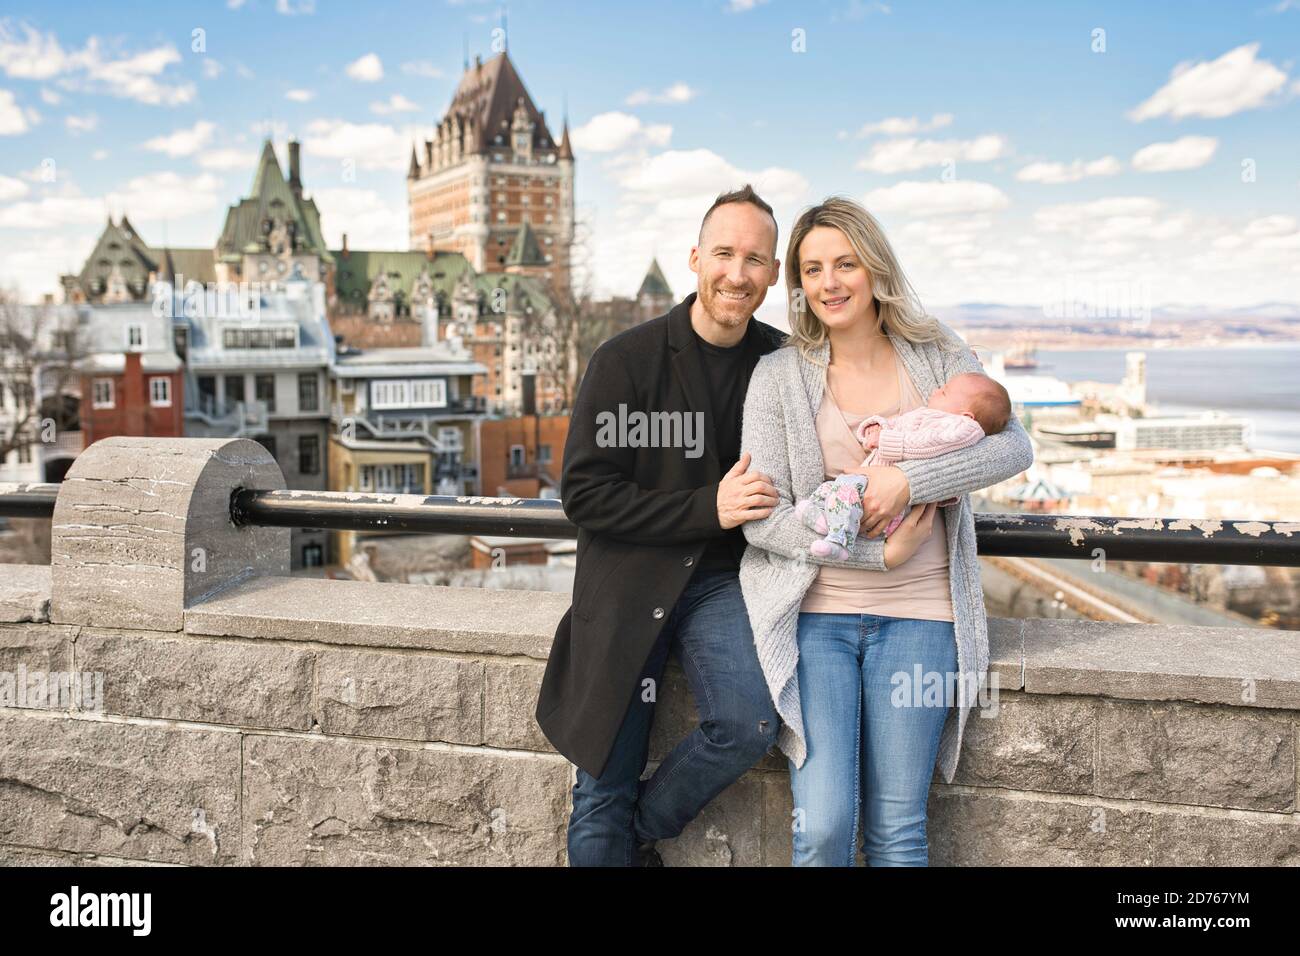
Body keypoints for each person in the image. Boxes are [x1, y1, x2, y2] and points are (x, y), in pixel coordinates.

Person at [738, 196, 1035, 866]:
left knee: (900, 829)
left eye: (845, 263)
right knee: (823, 827)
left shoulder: (937, 354)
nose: (830, 282)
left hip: (923, 616)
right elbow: (763, 521)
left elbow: (1015, 449)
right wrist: (876, 555)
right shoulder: (777, 376)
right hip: (816, 617)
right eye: (812, 269)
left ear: (875, 269)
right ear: (799, 285)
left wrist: (908, 484)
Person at [536, 185, 789, 866]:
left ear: (773, 274)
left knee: (746, 727)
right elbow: (584, 494)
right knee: (599, 793)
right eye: (725, 254)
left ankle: (640, 829)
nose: (738, 274)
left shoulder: (783, 364)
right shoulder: (626, 360)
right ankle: (617, 824)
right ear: (695, 258)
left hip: (720, 585)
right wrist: (705, 508)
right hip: (626, 585)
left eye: (756, 260)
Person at [796, 372, 1013, 558]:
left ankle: (839, 541)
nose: (936, 390)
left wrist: (886, 441)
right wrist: (876, 427)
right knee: (835, 490)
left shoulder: (963, 428)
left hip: (896, 505)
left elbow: (927, 445)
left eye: (944, 392)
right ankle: (824, 520)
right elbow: (897, 425)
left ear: (966, 415)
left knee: (847, 494)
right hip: (872, 478)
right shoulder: (927, 416)